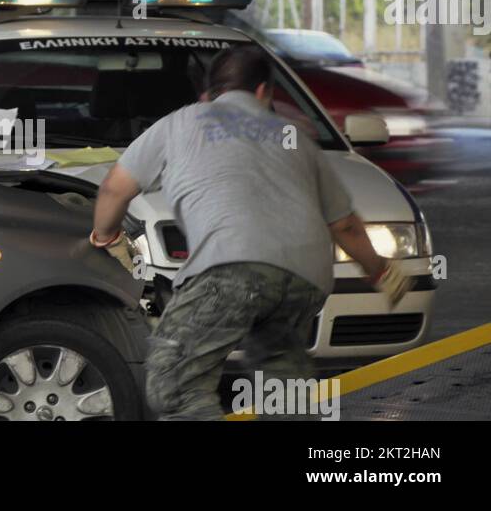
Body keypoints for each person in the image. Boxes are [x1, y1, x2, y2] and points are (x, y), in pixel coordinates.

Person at [90, 44, 412, 420]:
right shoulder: (293, 136)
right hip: (305, 280)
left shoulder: (181, 122)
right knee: (284, 381)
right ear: (263, 92)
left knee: (176, 386)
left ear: (207, 94)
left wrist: (105, 238)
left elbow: (114, 189)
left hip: (231, 269)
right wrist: (381, 271)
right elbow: (344, 224)